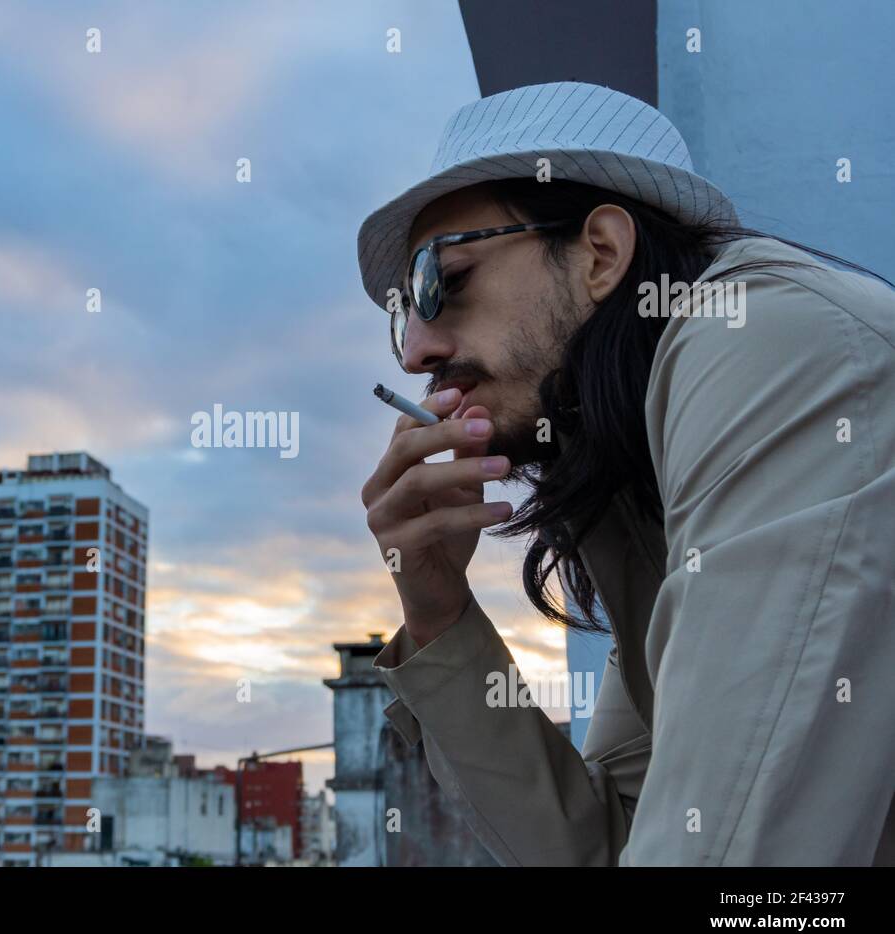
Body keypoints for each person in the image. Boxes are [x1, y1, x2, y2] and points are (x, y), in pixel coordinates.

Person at [357, 81, 895, 865]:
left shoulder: (770, 344)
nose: (416, 352)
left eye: (444, 281)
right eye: (407, 309)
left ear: (601, 254)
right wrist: (439, 616)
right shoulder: (638, 488)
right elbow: (617, 846)